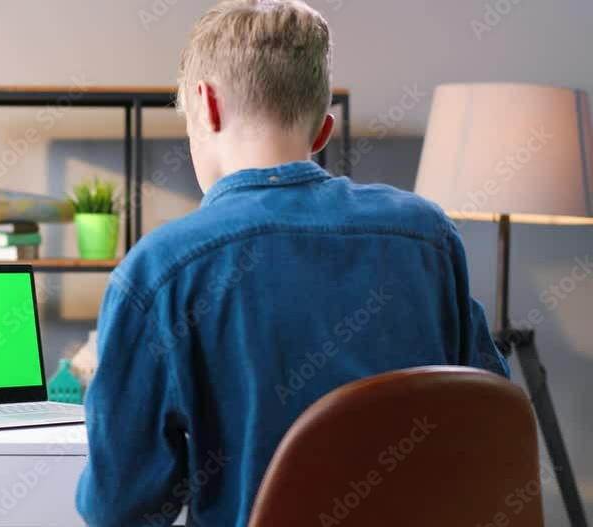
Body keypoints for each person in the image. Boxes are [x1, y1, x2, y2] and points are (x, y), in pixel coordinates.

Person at [75, 1, 510, 525]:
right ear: (322, 131)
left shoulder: (161, 270)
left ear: (206, 105)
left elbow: (119, 508)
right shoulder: (426, 236)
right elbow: (489, 419)